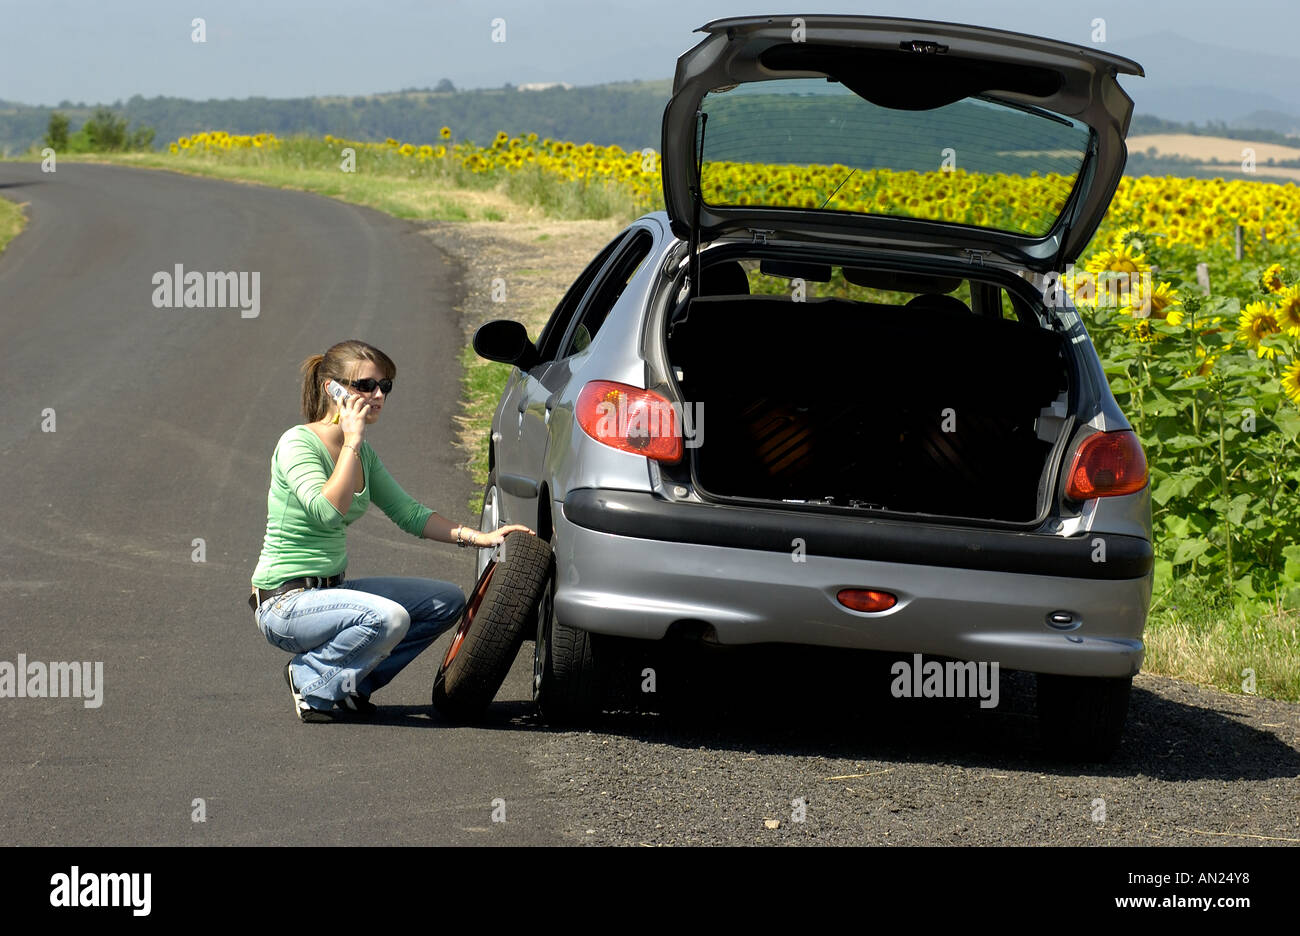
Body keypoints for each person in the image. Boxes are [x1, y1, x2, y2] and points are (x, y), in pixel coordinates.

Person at [249, 339, 532, 722]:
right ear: (330, 388)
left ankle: (349, 687)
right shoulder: (297, 444)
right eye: (365, 385)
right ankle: (311, 679)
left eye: (385, 386)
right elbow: (326, 512)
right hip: (285, 605)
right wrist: (350, 441)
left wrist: (477, 536)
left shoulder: (363, 455)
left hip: (331, 593)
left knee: (445, 601)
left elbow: (409, 514)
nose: (378, 394)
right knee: (387, 618)